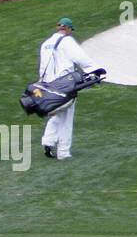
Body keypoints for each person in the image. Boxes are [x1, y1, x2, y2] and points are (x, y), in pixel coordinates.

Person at [37, 17, 97, 159]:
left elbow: (42, 68)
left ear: (58, 27)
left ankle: (48, 141)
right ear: (68, 29)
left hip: (48, 85)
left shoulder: (45, 44)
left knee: (56, 113)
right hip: (65, 85)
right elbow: (82, 59)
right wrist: (95, 71)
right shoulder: (67, 41)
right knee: (66, 118)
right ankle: (63, 152)